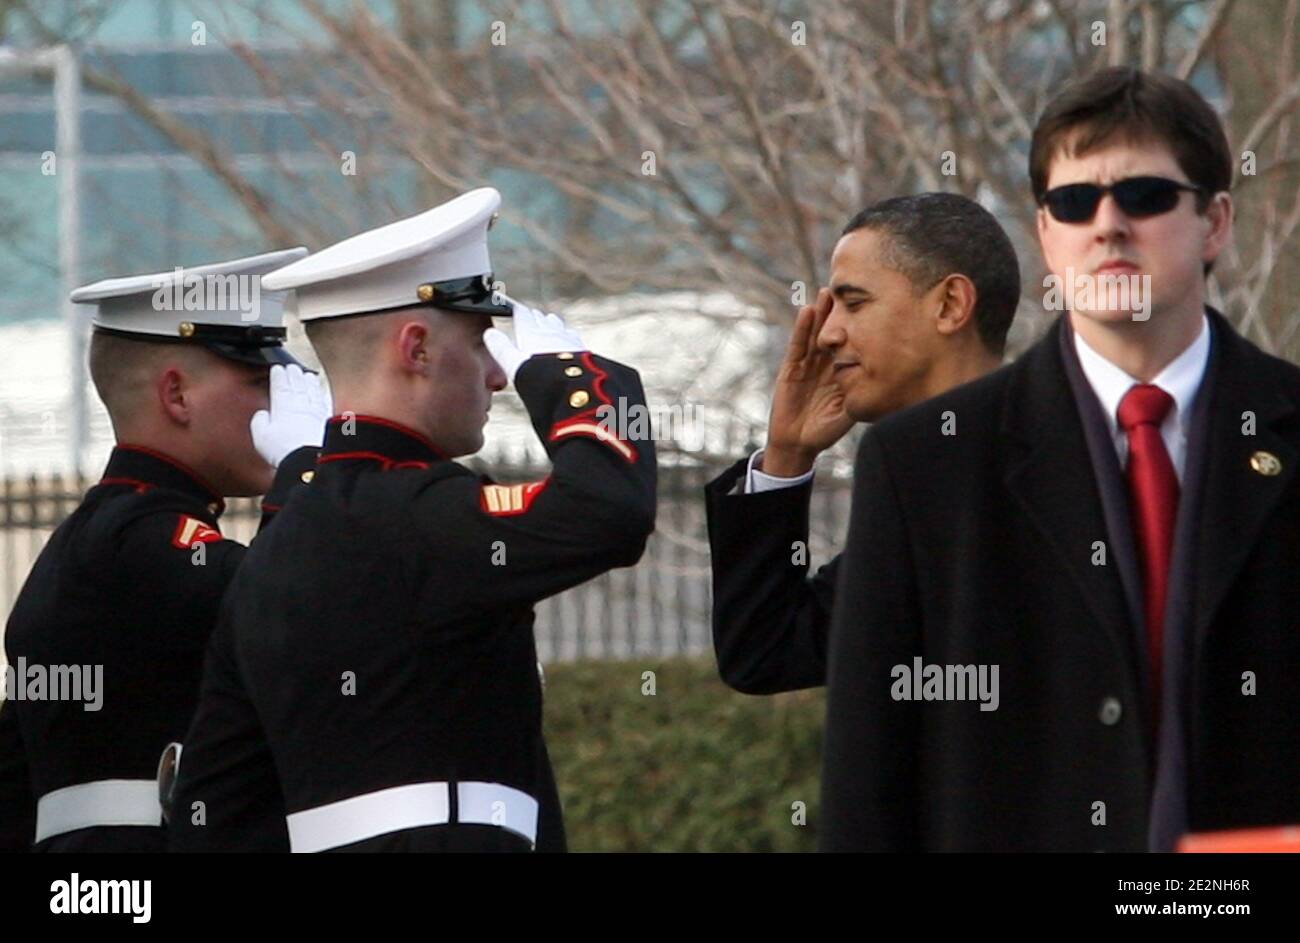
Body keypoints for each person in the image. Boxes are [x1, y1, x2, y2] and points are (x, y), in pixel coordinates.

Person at [821, 67, 1299, 852]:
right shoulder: (924, 466)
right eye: (1074, 202)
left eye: (1144, 196)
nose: (1108, 225)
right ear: (1047, 236)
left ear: (1215, 222)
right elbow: (868, 785)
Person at [168, 187, 656, 853]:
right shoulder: (416, 515)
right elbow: (608, 510)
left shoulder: (272, 553)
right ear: (418, 348)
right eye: (482, 341)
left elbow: (218, 806)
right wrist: (573, 377)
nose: (495, 376)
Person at [0, 249, 330, 851]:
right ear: (177, 395)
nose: (284, 405)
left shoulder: (95, 541)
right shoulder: (143, 540)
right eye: (262, 381)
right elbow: (295, 606)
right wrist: (308, 471)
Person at [705, 194, 1020, 694]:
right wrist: (786, 456)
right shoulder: (914, 480)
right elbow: (765, 654)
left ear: (950, 304)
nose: (827, 334)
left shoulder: (1056, 466)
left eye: (854, 304)